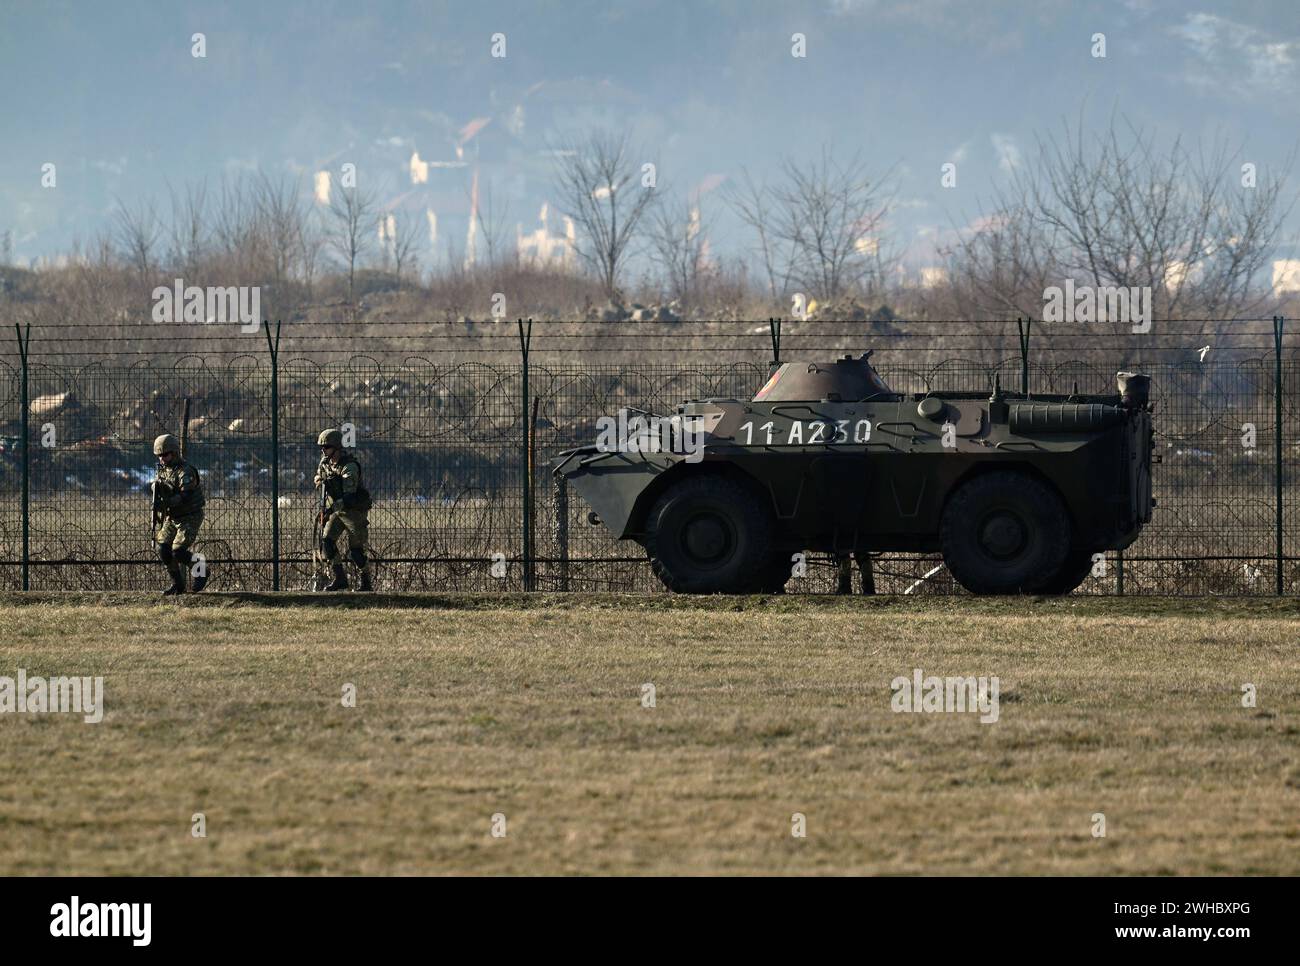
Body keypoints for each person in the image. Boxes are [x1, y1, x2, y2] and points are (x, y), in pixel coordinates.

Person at [314, 428, 373, 592]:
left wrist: (329, 510)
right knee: (327, 542)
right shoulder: (325, 462)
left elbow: (349, 497)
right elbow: (319, 475)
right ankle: (340, 579)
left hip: (354, 512)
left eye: (326, 447)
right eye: (322, 447)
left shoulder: (349, 467)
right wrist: (320, 480)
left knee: (356, 551)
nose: (323, 450)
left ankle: (366, 582)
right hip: (337, 511)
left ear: (336, 447)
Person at [152, 433, 207, 595]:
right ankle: (178, 585)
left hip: (190, 515)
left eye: (165, 455)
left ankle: (201, 569)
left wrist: (167, 502)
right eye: (159, 456)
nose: (162, 458)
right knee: (163, 548)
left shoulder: (185, 471)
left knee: (179, 551)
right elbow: (162, 490)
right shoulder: (163, 471)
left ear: (174, 453)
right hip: (172, 516)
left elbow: (186, 496)